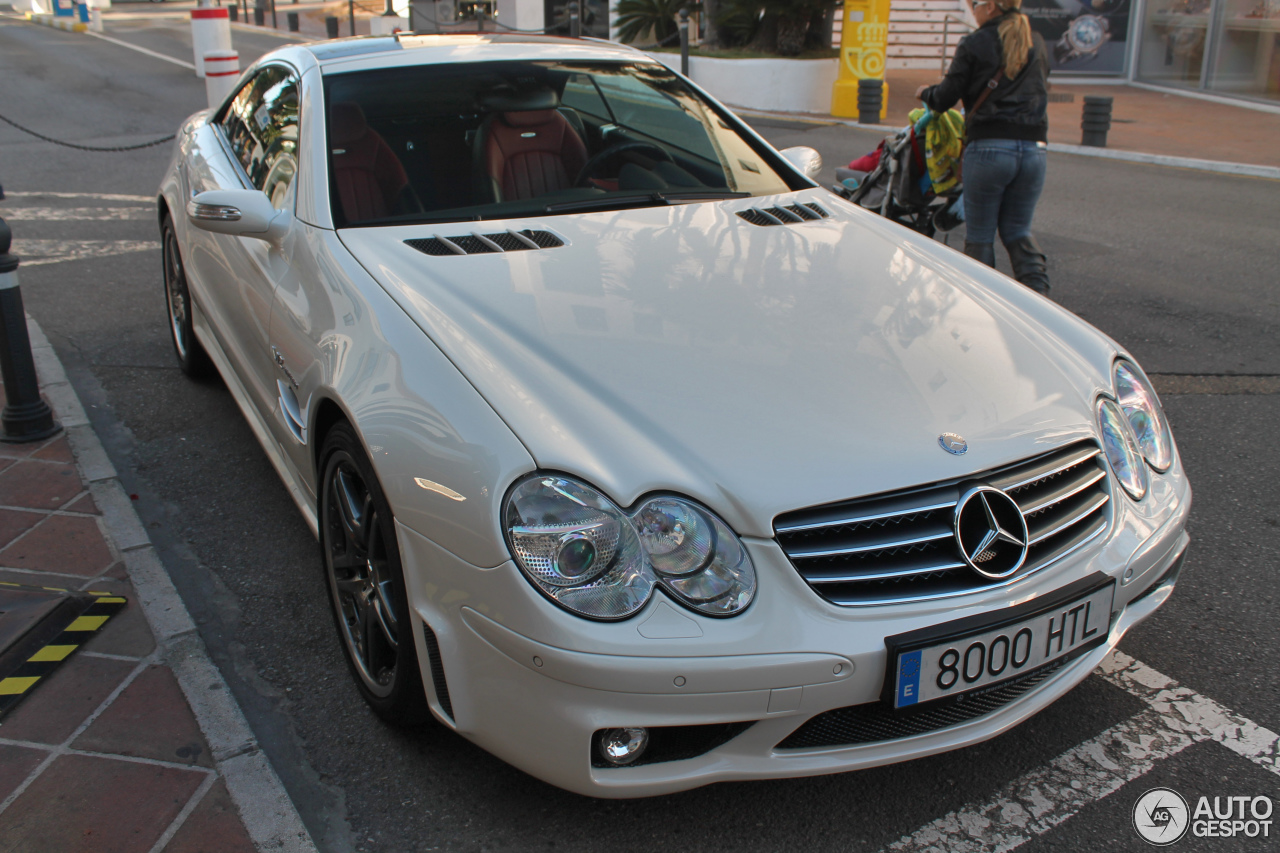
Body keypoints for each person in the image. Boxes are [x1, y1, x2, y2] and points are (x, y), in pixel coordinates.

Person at [915, 0, 1052, 296]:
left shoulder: (975, 42)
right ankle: (1042, 304)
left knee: (980, 237)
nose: (971, 10)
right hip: (1034, 149)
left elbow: (946, 97)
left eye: (973, 4)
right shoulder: (1036, 41)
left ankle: (982, 303)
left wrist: (925, 92)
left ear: (990, 7)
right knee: (1018, 232)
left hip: (989, 149)